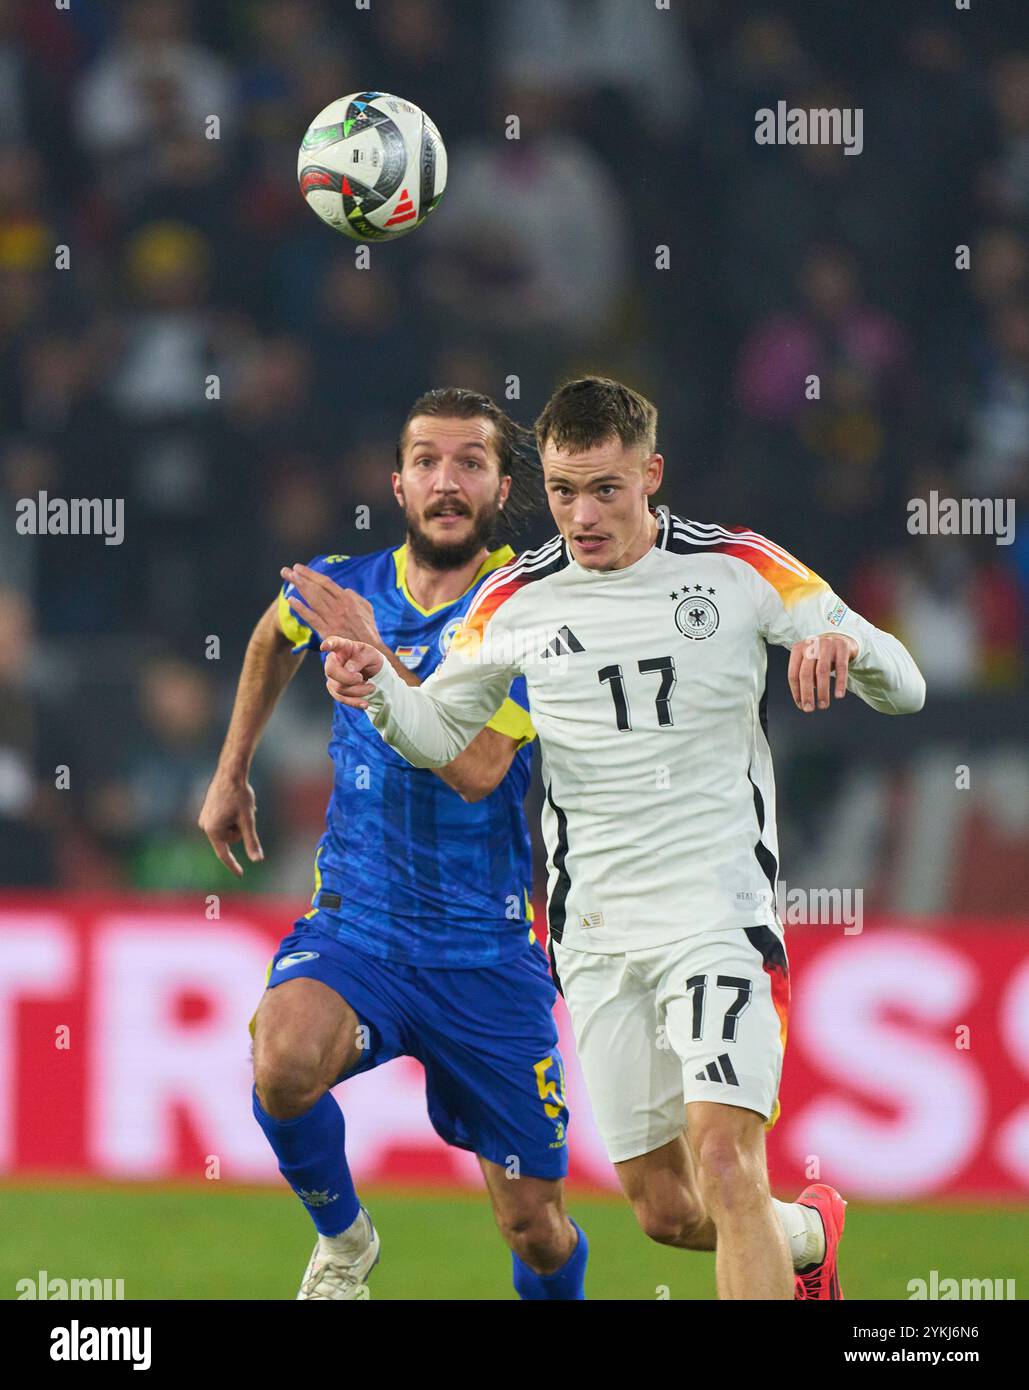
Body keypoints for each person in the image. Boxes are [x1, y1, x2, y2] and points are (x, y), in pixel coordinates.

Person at [321, 375, 927, 1301]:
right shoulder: (514, 597)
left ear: (651, 475)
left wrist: (852, 651)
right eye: (562, 491)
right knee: (664, 1209)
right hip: (595, 934)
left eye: (605, 488)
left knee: (726, 1164)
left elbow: (907, 685)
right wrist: (380, 687)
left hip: (717, 917)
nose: (582, 513)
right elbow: (440, 733)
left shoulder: (739, 567)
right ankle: (808, 1237)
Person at [199, 388, 587, 1300]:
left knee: (534, 1231)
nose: (445, 481)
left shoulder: (527, 611)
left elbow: (481, 766)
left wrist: (377, 659)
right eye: (426, 461)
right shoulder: (349, 584)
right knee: (283, 1063)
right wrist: (231, 769)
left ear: (501, 488)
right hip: (358, 928)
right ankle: (344, 1241)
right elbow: (273, 633)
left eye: (469, 464)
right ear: (397, 481)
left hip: (483, 952)